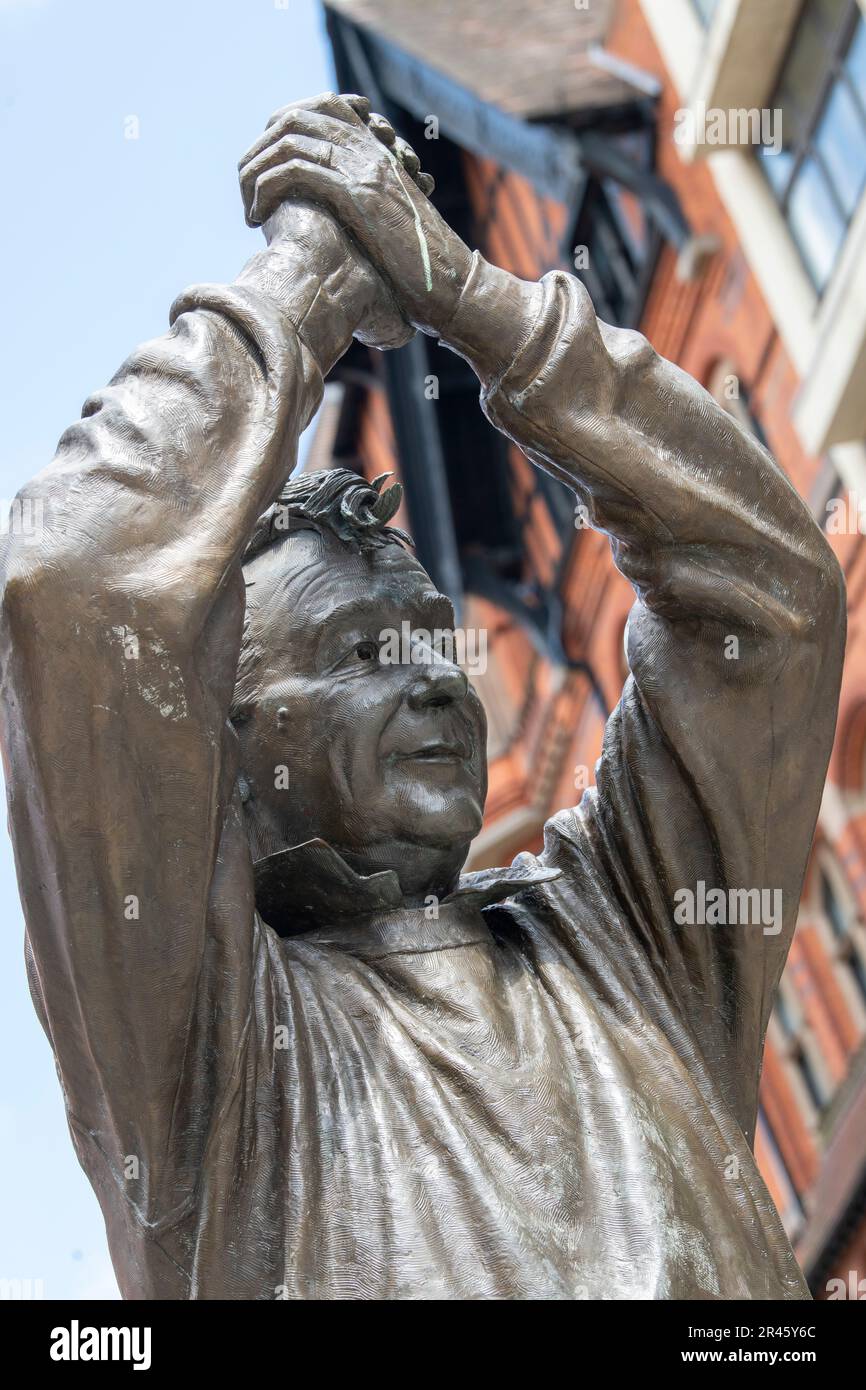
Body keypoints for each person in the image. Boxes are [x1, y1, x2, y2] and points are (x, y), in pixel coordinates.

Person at [0, 94, 845, 1300]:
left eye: (431, 640)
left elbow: (770, 598)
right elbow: (76, 580)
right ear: (226, 760)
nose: (431, 681)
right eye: (357, 650)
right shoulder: (204, 1068)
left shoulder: (628, 943)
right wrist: (311, 274)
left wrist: (458, 288)